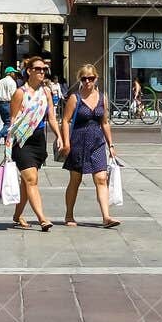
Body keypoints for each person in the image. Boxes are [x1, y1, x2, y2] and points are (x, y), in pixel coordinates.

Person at [6, 58, 63, 231]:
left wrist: (59, 136)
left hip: (38, 140)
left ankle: (17, 215)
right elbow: (13, 119)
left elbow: (51, 117)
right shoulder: (20, 93)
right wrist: (9, 144)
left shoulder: (46, 92)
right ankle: (42, 218)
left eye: (44, 69)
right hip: (22, 141)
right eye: (38, 69)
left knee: (26, 182)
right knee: (32, 179)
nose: (42, 72)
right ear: (29, 71)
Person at [60, 64, 118, 228]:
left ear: (96, 78)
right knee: (75, 180)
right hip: (78, 142)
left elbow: (105, 123)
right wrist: (65, 142)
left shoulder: (102, 98)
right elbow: (65, 121)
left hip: (97, 142)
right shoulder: (75, 98)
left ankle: (106, 217)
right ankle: (69, 214)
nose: (87, 82)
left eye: (90, 78)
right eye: (84, 79)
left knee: (101, 178)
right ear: (80, 80)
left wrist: (111, 145)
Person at [0, 65, 19, 144]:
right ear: (10, 73)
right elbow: (14, 95)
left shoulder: (0, 82)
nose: (14, 74)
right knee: (10, 123)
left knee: (6, 122)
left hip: (0, 103)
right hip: (8, 103)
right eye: (13, 73)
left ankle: (6, 139)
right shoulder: (12, 82)